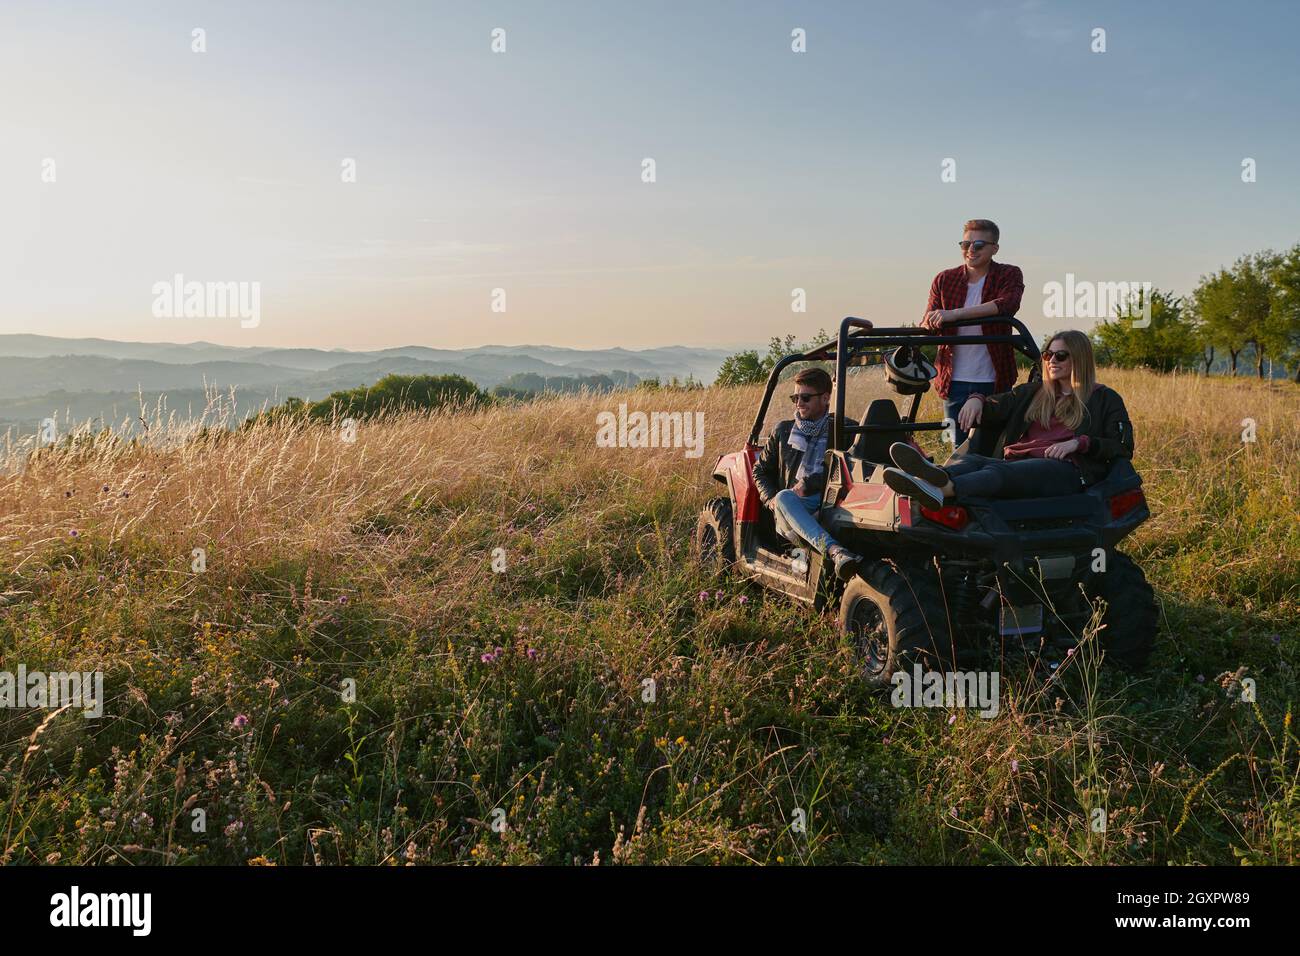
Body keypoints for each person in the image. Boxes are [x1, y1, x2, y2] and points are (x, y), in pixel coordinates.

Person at [881, 331, 1134, 506]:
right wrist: (977, 398)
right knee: (973, 461)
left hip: (1064, 470)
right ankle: (928, 478)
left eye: (1061, 355)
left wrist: (1079, 443)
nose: (1052, 360)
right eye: (1048, 355)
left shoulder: (1103, 398)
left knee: (996, 472)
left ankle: (943, 490)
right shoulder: (1036, 393)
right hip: (1019, 462)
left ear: (1080, 358)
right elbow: (999, 404)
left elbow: (1122, 445)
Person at [920, 219, 1025, 447]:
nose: (970, 250)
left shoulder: (1009, 274)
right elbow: (929, 318)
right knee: (957, 448)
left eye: (978, 245)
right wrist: (932, 321)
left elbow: (1007, 304)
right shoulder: (944, 279)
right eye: (965, 244)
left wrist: (954, 314)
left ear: (994, 248)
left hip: (995, 378)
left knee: (995, 447)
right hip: (952, 379)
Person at [752, 367, 863, 579]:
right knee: (784, 497)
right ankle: (834, 551)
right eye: (795, 397)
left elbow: (850, 468)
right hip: (792, 507)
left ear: (825, 398)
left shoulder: (845, 429)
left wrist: (809, 483)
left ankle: (823, 556)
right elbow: (760, 471)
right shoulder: (783, 431)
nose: (798, 403)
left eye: (805, 397)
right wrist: (771, 500)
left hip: (829, 501)